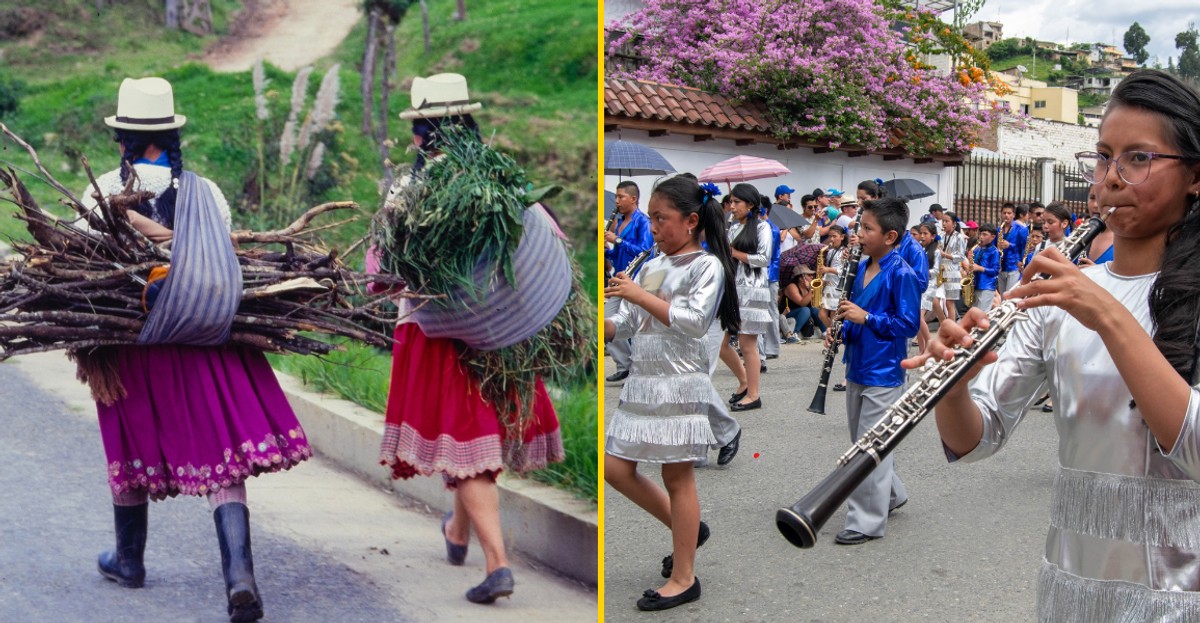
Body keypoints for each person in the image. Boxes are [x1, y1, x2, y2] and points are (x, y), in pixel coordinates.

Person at [913, 68, 1200, 620]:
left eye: (1138, 158)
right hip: (1072, 592)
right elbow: (978, 438)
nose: (1110, 179)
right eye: (1103, 157)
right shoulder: (1067, 293)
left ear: (1195, 176)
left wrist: (1108, 315)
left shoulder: (1090, 299)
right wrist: (953, 387)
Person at [80, 77, 312, 623]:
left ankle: (129, 561)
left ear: (122, 140)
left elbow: (86, 264)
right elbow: (222, 266)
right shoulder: (206, 192)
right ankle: (239, 577)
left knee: (130, 440)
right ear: (172, 135)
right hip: (206, 338)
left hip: (134, 342)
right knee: (218, 453)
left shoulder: (102, 193)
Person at [374, 73, 565, 604]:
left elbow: (384, 271)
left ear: (420, 135)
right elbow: (548, 241)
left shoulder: (412, 191)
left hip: (440, 333)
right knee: (478, 436)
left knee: (467, 443)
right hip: (507, 329)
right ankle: (457, 531)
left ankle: (498, 563)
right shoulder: (502, 180)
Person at [604, 176, 741, 611]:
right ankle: (689, 529)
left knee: (676, 477)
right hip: (642, 380)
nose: (656, 228)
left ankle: (685, 577)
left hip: (680, 382)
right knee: (614, 469)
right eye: (652, 219)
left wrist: (640, 295)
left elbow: (693, 321)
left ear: (692, 220)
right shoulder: (651, 263)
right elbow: (623, 325)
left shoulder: (707, 265)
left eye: (662, 219)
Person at [829, 196, 920, 544]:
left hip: (884, 371)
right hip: (858, 363)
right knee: (864, 442)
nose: (860, 233)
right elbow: (852, 314)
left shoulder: (902, 273)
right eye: (860, 226)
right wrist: (840, 330)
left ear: (891, 237)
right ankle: (891, 493)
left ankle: (865, 521)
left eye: (867, 228)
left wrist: (864, 317)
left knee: (869, 446)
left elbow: (908, 325)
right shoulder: (860, 268)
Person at [719, 184, 772, 411]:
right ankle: (744, 383)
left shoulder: (762, 227)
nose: (732, 206)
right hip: (733, 290)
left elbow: (764, 259)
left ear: (750, 204)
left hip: (753, 291)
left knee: (747, 345)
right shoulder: (731, 226)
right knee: (721, 345)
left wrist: (735, 253)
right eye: (731, 202)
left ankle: (753, 394)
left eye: (737, 202)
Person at [605, 180, 654, 384]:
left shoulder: (642, 221)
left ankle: (637, 368)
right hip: (618, 278)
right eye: (616, 197)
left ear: (633, 198)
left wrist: (617, 240)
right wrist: (607, 251)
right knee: (606, 319)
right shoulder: (620, 221)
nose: (617, 201)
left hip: (636, 281)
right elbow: (619, 254)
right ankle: (625, 365)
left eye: (620, 197)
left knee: (634, 324)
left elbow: (645, 251)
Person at [757, 198, 783, 362]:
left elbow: (766, 255)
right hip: (763, 274)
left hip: (770, 274)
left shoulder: (771, 229)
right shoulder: (761, 227)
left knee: (771, 310)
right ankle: (764, 347)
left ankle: (772, 346)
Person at [933, 211, 965, 324]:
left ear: (954, 223)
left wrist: (945, 255)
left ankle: (951, 327)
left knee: (949, 303)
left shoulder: (959, 237)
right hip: (940, 271)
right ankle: (944, 323)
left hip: (952, 272)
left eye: (947, 221)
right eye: (943, 221)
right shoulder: (940, 236)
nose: (944, 224)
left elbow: (961, 257)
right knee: (934, 299)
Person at [781, 264, 826, 345]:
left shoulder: (807, 287)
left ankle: (825, 331)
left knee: (814, 310)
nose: (812, 277)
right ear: (800, 278)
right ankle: (794, 333)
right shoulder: (791, 287)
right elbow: (802, 303)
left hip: (802, 314)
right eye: (809, 275)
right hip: (787, 313)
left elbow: (814, 305)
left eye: (812, 275)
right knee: (805, 309)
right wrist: (812, 290)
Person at [816, 224, 848, 332]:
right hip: (829, 286)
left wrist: (828, 270)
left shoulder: (845, 252)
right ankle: (835, 334)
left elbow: (846, 272)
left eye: (835, 236)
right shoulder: (830, 251)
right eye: (830, 236)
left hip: (837, 288)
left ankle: (835, 336)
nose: (832, 239)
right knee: (822, 314)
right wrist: (822, 280)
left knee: (835, 317)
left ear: (842, 237)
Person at [915, 221, 940, 351]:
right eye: (921, 233)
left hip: (930, 286)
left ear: (933, 236)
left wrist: (922, 271)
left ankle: (930, 343)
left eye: (926, 233)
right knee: (917, 318)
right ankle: (922, 349)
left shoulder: (936, 251)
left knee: (919, 317)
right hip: (920, 285)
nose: (922, 236)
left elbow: (936, 271)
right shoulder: (920, 249)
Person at [995, 202, 1028, 297]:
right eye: (1004, 213)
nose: (1006, 215)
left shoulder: (1020, 229)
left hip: (1014, 266)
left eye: (1009, 213)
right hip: (1002, 267)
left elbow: (1024, 247)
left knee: (1009, 296)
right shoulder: (999, 230)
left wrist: (1010, 245)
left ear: (1013, 215)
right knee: (1002, 296)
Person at [967, 223, 1000, 310]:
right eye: (980, 234)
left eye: (984, 234)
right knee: (974, 313)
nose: (981, 237)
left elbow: (995, 271)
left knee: (983, 313)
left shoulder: (994, 251)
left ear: (992, 237)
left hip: (987, 286)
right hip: (976, 285)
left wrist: (979, 268)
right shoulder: (977, 249)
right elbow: (973, 266)